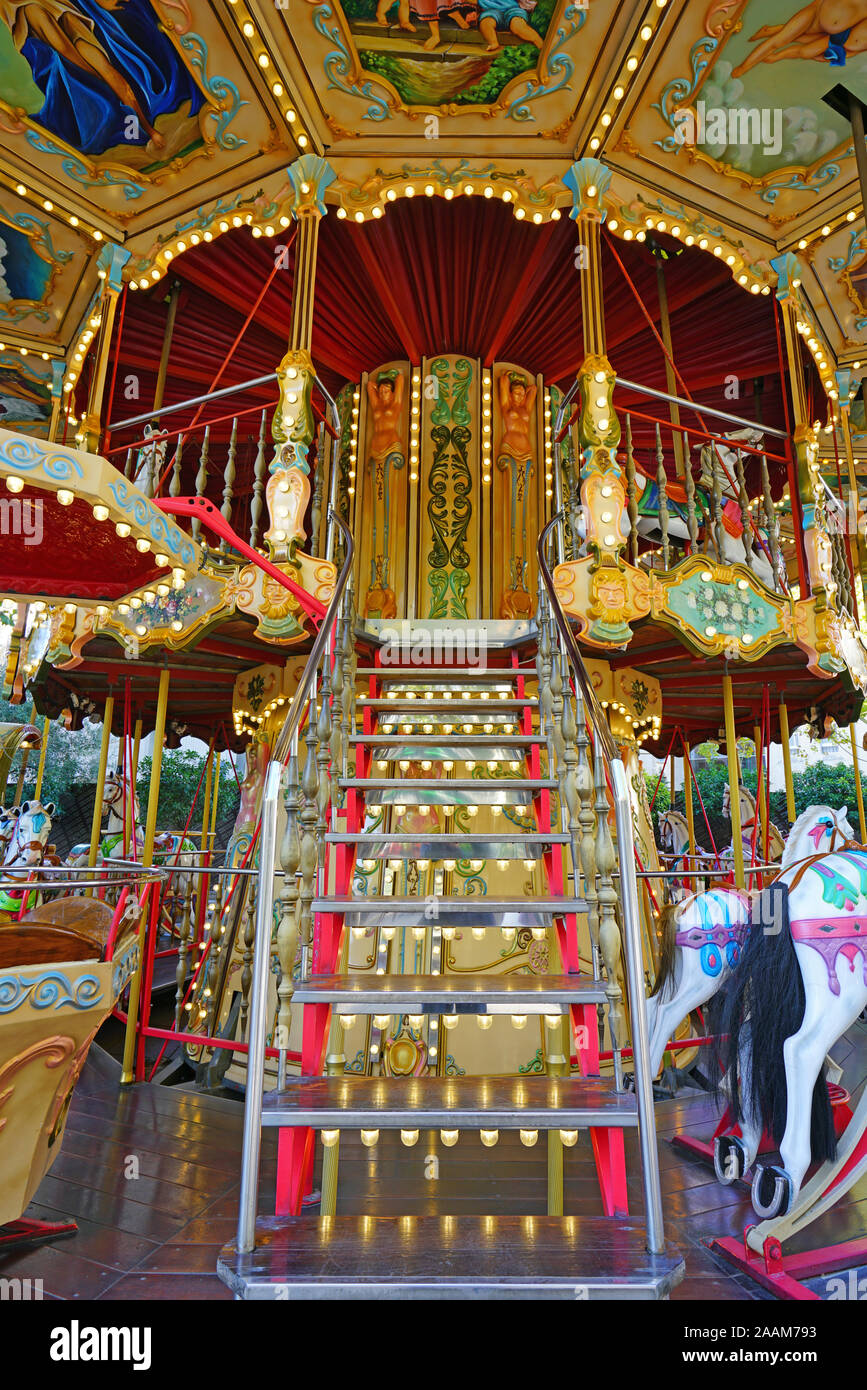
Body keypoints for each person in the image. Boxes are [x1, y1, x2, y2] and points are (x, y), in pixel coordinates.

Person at [732, 0, 867, 75]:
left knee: (803, 45)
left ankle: (770, 30)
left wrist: (844, 52)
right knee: (779, 40)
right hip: (817, 11)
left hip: (835, 31)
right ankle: (744, 67)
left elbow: (859, 34)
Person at [477, 0, 542, 52]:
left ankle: (539, 42)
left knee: (518, 26)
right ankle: (493, 42)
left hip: (513, 9)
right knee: (486, 22)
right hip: (491, 11)